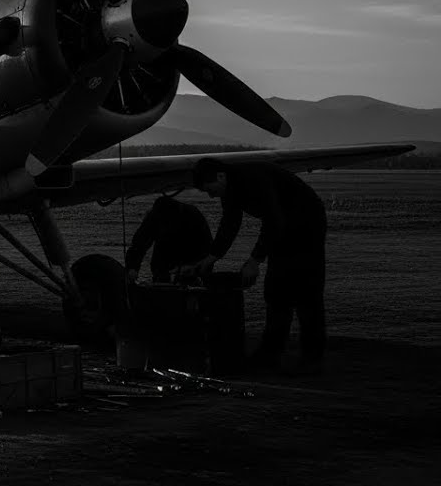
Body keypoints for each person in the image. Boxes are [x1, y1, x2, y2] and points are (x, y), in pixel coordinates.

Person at [191, 157, 328, 371]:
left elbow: (274, 219)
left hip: (308, 226)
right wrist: (211, 257)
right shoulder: (231, 189)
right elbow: (230, 224)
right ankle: (270, 354)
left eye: (210, 189)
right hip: (284, 228)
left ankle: (312, 358)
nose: (210, 195)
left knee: (306, 292)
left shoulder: (253, 178)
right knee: (276, 290)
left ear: (220, 176)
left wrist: (254, 260)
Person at [124, 195, 214, 284]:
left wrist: (193, 268)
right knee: (160, 280)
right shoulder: (153, 217)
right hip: (162, 259)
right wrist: (132, 268)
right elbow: (139, 244)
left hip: (190, 259)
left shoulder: (193, 216)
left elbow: (208, 249)